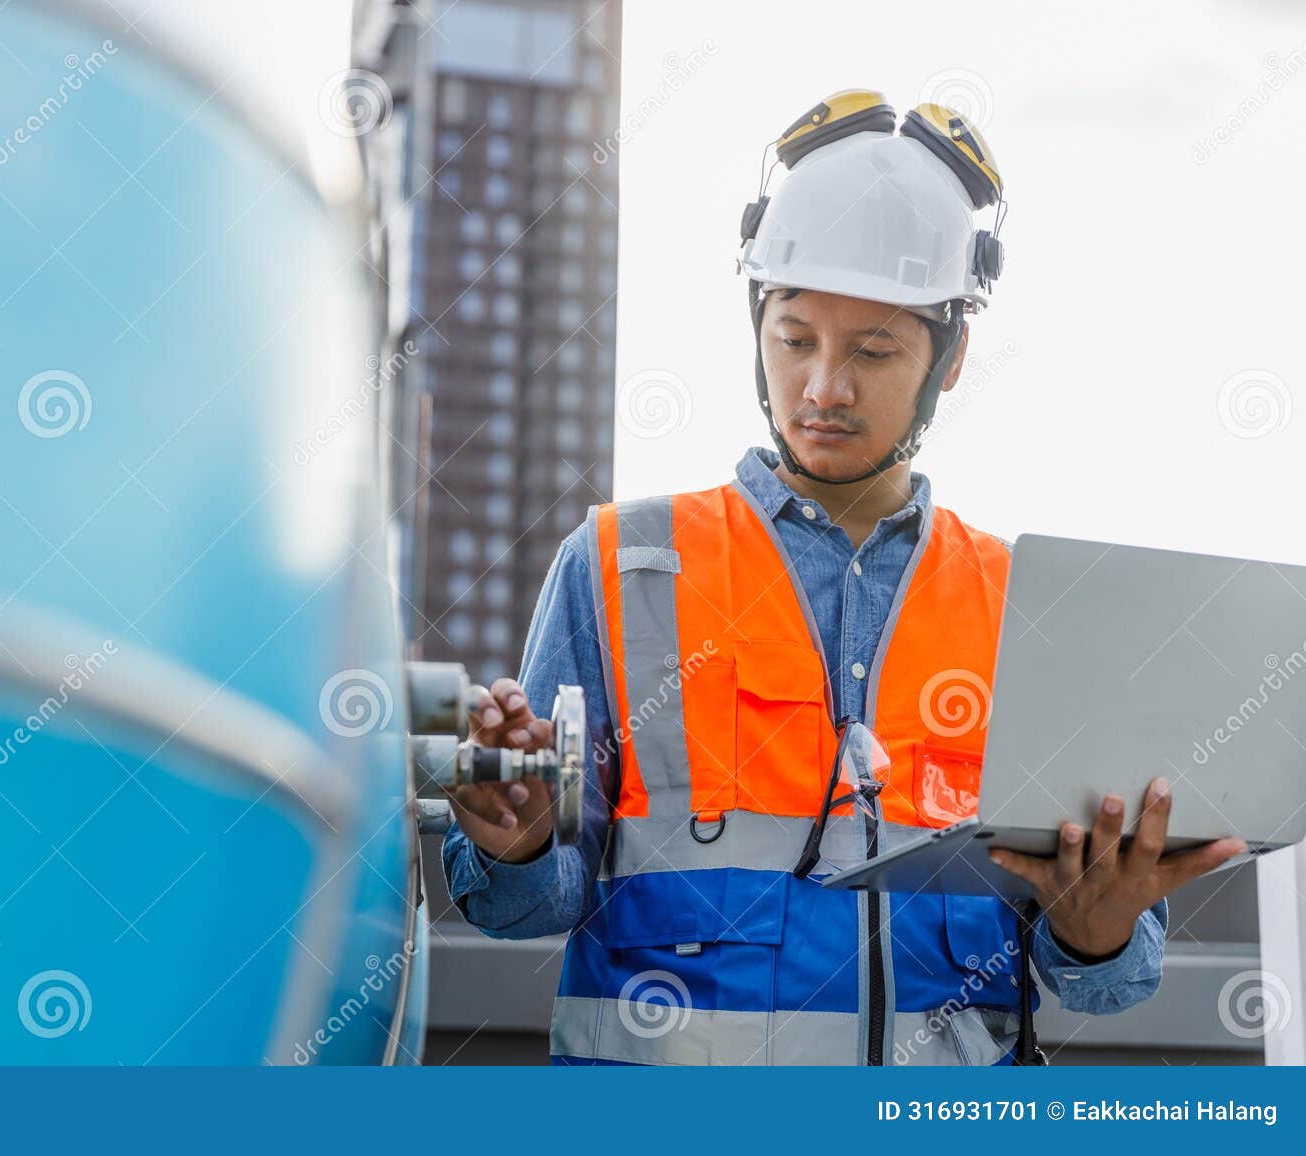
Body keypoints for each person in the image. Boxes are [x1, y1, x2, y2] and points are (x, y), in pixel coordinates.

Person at [439, 89, 1247, 1066]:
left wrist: (1098, 926)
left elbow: (1106, 978)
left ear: (948, 359)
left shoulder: (1016, 606)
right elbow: (523, 904)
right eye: (794, 340)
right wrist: (514, 842)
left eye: (873, 350)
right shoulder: (620, 568)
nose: (823, 387)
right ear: (754, 322)